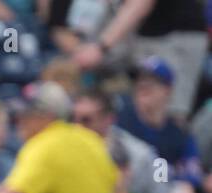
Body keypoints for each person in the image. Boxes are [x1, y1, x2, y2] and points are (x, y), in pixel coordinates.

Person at [0, 81, 118, 193]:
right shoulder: (93, 141)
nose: (19, 122)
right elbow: (113, 192)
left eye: (26, 115)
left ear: (47, 116)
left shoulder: (44, 144)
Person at [63, 0, 207, 120]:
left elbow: (141, 3)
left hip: (176, 36)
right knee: (142, 108)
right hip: (147, 36)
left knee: (168, 111)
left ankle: (173, 153)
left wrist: (101, 47)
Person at [73, 88, 180, 193]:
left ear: (108, 119)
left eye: (86, 120)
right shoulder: (63, 150)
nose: (77, 127)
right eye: (73, 119)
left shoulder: (144, 154)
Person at [115, 57, 208, 193]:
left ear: (167, 89)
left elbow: (189, 182)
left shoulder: (178, 134)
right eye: (139, 82)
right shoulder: (120, 125)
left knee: (184, 192)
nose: (142, 85)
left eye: (151, 82)